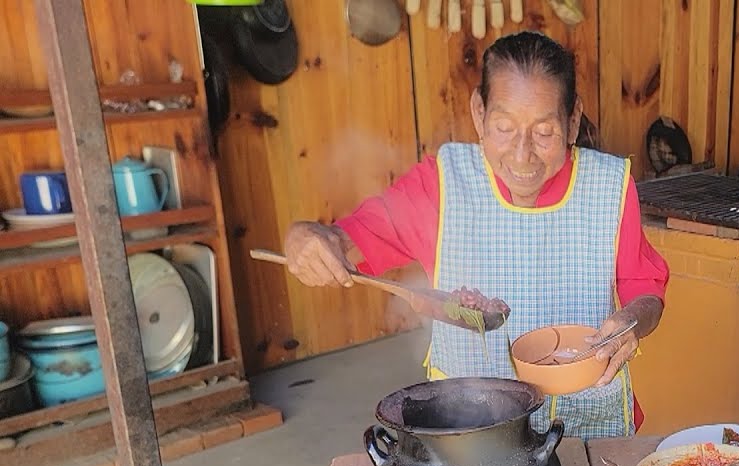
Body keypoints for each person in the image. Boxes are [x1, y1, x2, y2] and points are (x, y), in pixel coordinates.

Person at [280, 31, 670, 440]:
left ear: (573, 120)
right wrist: (305, 238)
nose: (522, 154)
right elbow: (345, 240)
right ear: (479, 113)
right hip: (471, 436)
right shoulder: (443, 184)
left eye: (544, 132)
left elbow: (646, 290)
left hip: (587, 425)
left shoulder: (609, 187)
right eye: (504, 127)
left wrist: (630, 323)